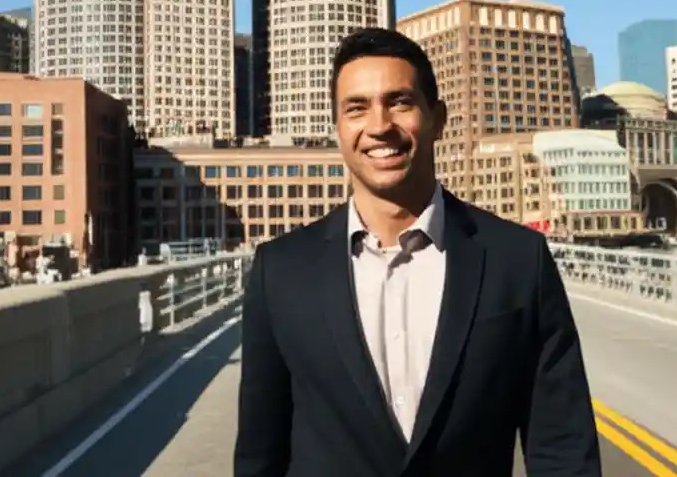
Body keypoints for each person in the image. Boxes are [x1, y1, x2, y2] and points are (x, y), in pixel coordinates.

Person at [234, 27, 601, 476]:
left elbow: (562, 444)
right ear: (338, 129)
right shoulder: (281, 271)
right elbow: (260, 452)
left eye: (400, 102)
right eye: (356, 108)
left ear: (437, 118)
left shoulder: (518, 259)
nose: (379, 126)